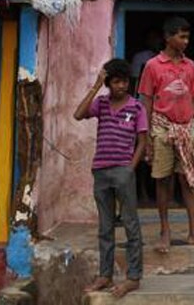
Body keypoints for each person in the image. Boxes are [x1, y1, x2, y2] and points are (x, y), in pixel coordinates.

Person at [138, 16, 194, 252]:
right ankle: (165, 231)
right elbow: (146, 101)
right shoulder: (153, 66)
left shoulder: (190, 66)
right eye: (181, 36)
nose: (186, 41)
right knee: (163, 181)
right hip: (161, 128)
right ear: (167, 37)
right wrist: (146, 138)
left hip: (186, 128)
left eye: (187, 37)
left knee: (189, 180)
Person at [74, 58, 147, 298]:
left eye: (124, 81)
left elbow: (142, 142)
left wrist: (129, 169)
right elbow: (78, 114)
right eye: (116, 81)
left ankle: (133, 277)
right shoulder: (101, 104)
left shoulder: (136, 107)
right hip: (101, 171)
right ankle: (104, 275)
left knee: (130, 224)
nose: (121, 86)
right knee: (105, 227)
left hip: (123, 172)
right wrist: (96, 85)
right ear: (109, 83)